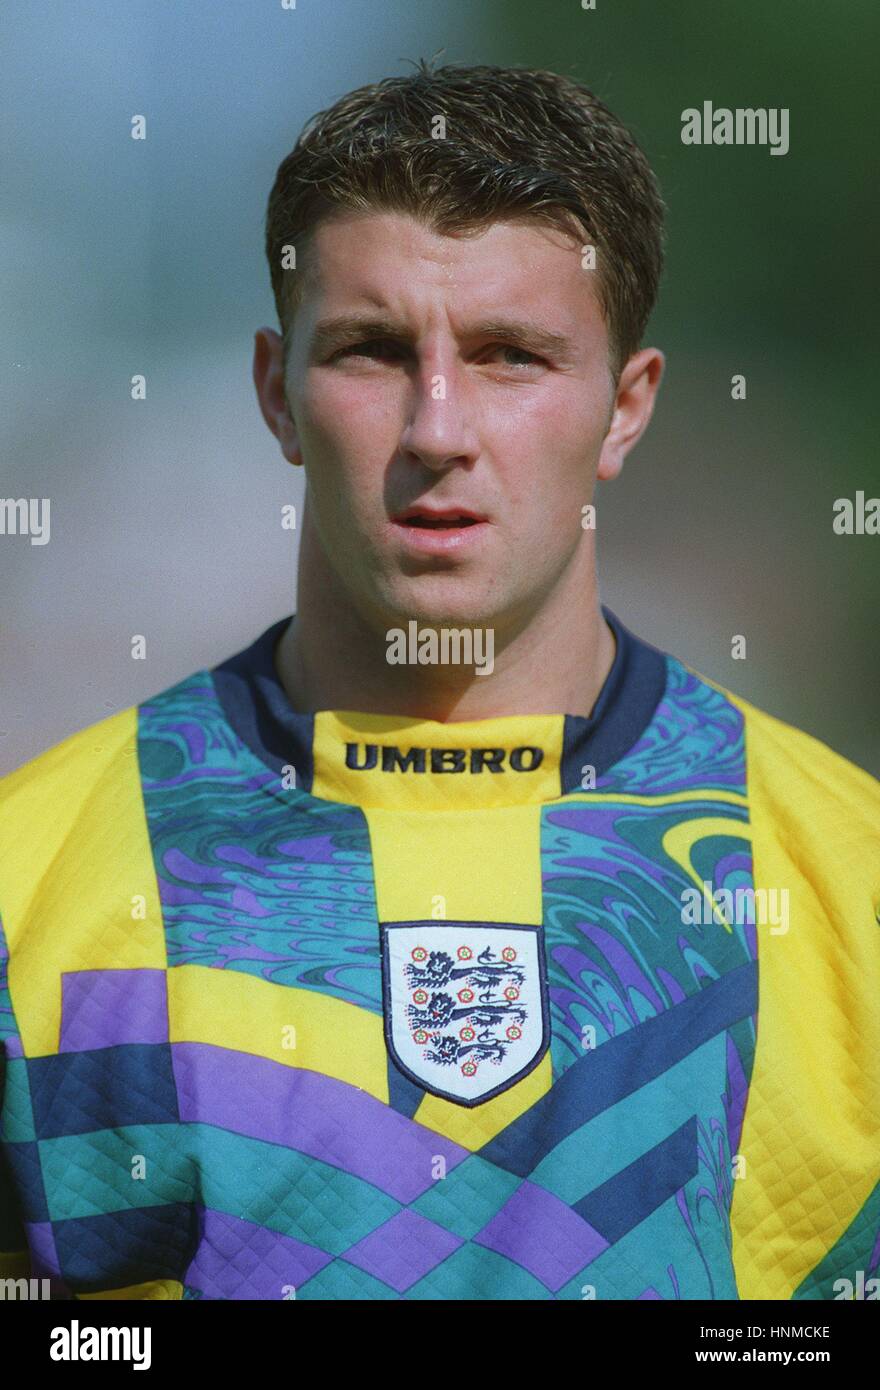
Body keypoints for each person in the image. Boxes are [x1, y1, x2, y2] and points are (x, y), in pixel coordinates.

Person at [1, 61, 878, 1304]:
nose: (437, 428)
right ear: (276, 392)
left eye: (511, 355)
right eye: (370, 351)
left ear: (626, 410)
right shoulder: (26, 886)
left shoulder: (850, 887)